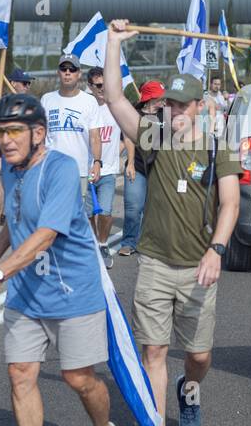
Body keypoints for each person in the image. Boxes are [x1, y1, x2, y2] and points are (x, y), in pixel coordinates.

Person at [0, 93, 122, 426]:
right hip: (27, 294)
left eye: (14, 131)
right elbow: (14, 223)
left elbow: (44, 235)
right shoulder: (12, 172)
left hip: (72, 291)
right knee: (20, 374)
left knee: (78, 378)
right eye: (0, 132)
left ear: (39, 133)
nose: (5, 140)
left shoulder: (62, 169)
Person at [104, 20, 241, 426]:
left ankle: (189, 388)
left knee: (198, 355)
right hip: (157, 263)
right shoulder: (155, 137)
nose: (175, 110)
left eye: (183, 104)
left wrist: (216, 250)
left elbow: (230, 205)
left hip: (199, 266)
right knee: (154, 350)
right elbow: (114, 99)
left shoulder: (219, 144)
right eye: (170, 103)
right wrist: (112, 44)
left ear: (200, 106)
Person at [40, 53, 103, 200]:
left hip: (79, 171)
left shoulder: (89, 101)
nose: (67, 72)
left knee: (75, 217)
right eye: (63, 69)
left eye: (72, 69)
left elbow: (95, 137)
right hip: (51, 169)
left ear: (79, 74)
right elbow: (40, 136)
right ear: (58, 73)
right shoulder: (46, 99)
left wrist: (97, 162)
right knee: (52, 216)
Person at [117, 81, 164, 257]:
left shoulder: (165, 115)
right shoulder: (134, 115)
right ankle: (129, 242)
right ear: (150, 98)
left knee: (155, 208)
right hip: (136, 166)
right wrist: (128, 163)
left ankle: (149, 243)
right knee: (133, 207)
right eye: (160, 96)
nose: (163, 99)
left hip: (159, 169)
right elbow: (128, 138)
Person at [85, 67, 120, 268]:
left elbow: (127, 136)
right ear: (90, 86)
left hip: (108, 170)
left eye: (105, 84)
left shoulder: (115, 107)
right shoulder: (86, 106)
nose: (102, 88)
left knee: (106, 211)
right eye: (98, 85)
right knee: (88, 213)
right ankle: (92, 243)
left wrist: (126, 158)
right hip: (87, 170)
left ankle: (103, 243)